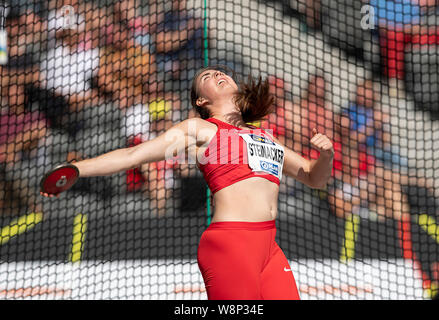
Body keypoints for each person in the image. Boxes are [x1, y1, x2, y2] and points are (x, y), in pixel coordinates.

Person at [41, 65, 334, 300]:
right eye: (207, 76)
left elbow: (313, 177)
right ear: (201, 101)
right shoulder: (200, 130)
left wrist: (326, 155)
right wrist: (77, 169)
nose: (218, 74)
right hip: (231, 245)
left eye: (221, 72)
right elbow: (134, 155)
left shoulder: (266, 136)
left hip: (269, 248)